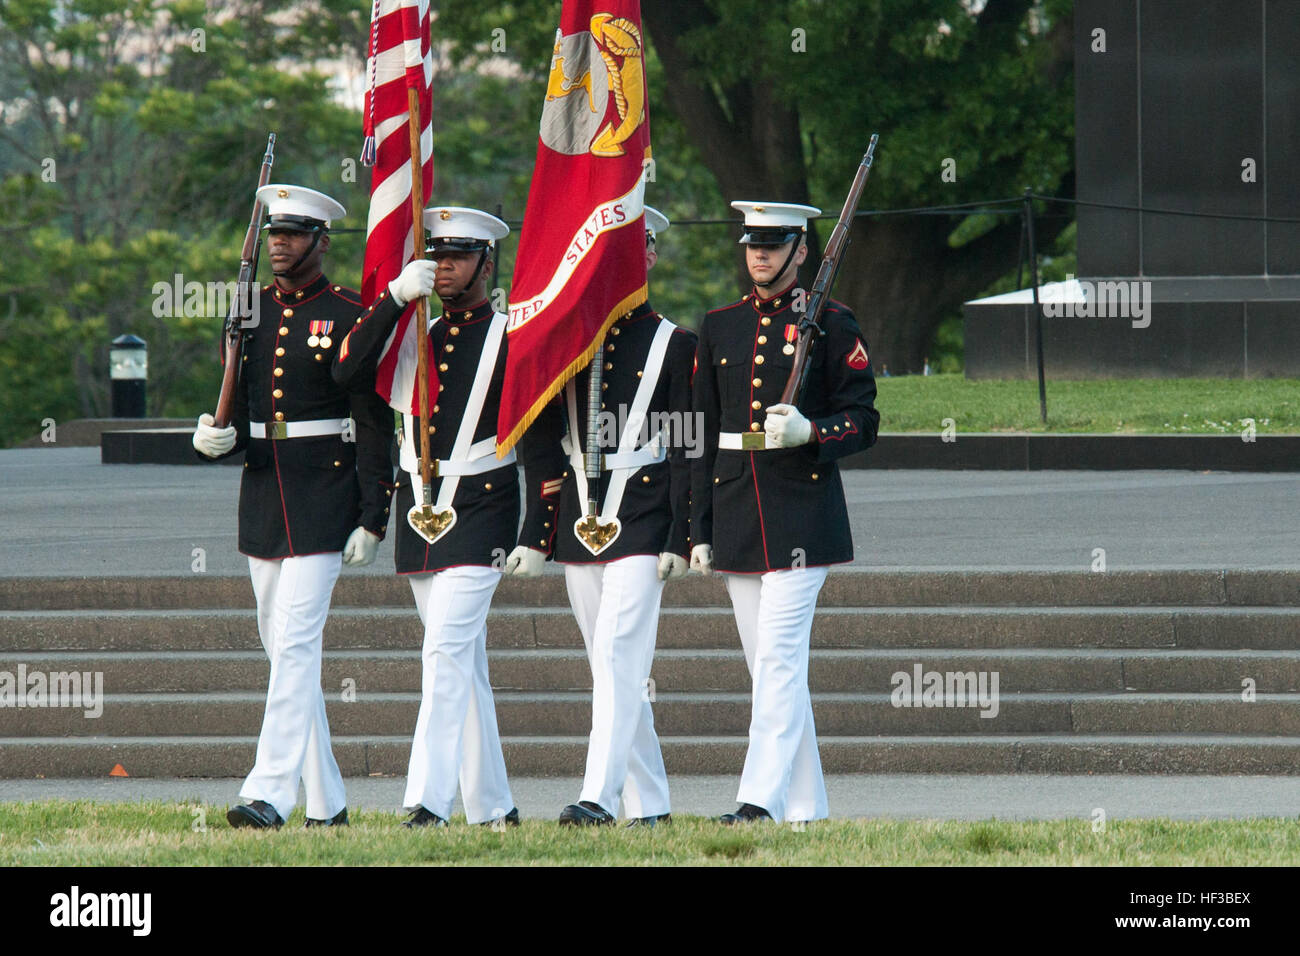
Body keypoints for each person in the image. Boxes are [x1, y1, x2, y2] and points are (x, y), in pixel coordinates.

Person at [332, 206, 559, 828]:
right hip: (419, 514)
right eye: (437, 254)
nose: (444, 266)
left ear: (488, 263)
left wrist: (539, 531)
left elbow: (540, 439)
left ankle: (426, 800)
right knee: (464, 666)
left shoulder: (513, 333)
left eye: (458, 256)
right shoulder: (414, 332)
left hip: (484, 508)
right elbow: (346, 373)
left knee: (443, 654)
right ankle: (494, 806)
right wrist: (394, 300)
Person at [192, 184, 394, 829]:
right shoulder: (245, 313)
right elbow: (240, 409)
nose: (279, 244)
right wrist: (214, 440)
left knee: (299, 643)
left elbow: (371, 421)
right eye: (273, 234)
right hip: (262, 493)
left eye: (293, 235)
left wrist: (373, 513)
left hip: (326, 496)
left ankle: (269, 792)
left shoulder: (348, 311)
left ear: (321, 242)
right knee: (282, 650)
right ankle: (328, 803)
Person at [690, 200, 880, 825]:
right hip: (737, 506)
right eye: (752, 243)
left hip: (802, 511)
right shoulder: (719, 326)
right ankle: (806, 807)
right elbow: (701, 432)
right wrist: (696, 527)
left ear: (802, 251)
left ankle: (757, 802)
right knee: (771, 669)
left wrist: (812, 432)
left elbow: (865, 420)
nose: (760, 254)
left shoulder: (833, 321)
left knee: (776, 661)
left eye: (774, 244)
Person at [508, 207, 694, 827]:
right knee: (610, 664)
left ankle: (597, 797)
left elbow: (690, 450)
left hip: (644, 512)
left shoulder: (675, 344)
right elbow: (539, 440)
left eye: (632, 249)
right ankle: (655, 805)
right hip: (576, 516)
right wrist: (538, 529)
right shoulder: (566, 336)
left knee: (616, 656)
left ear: (649, 258)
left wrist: (684, 531)